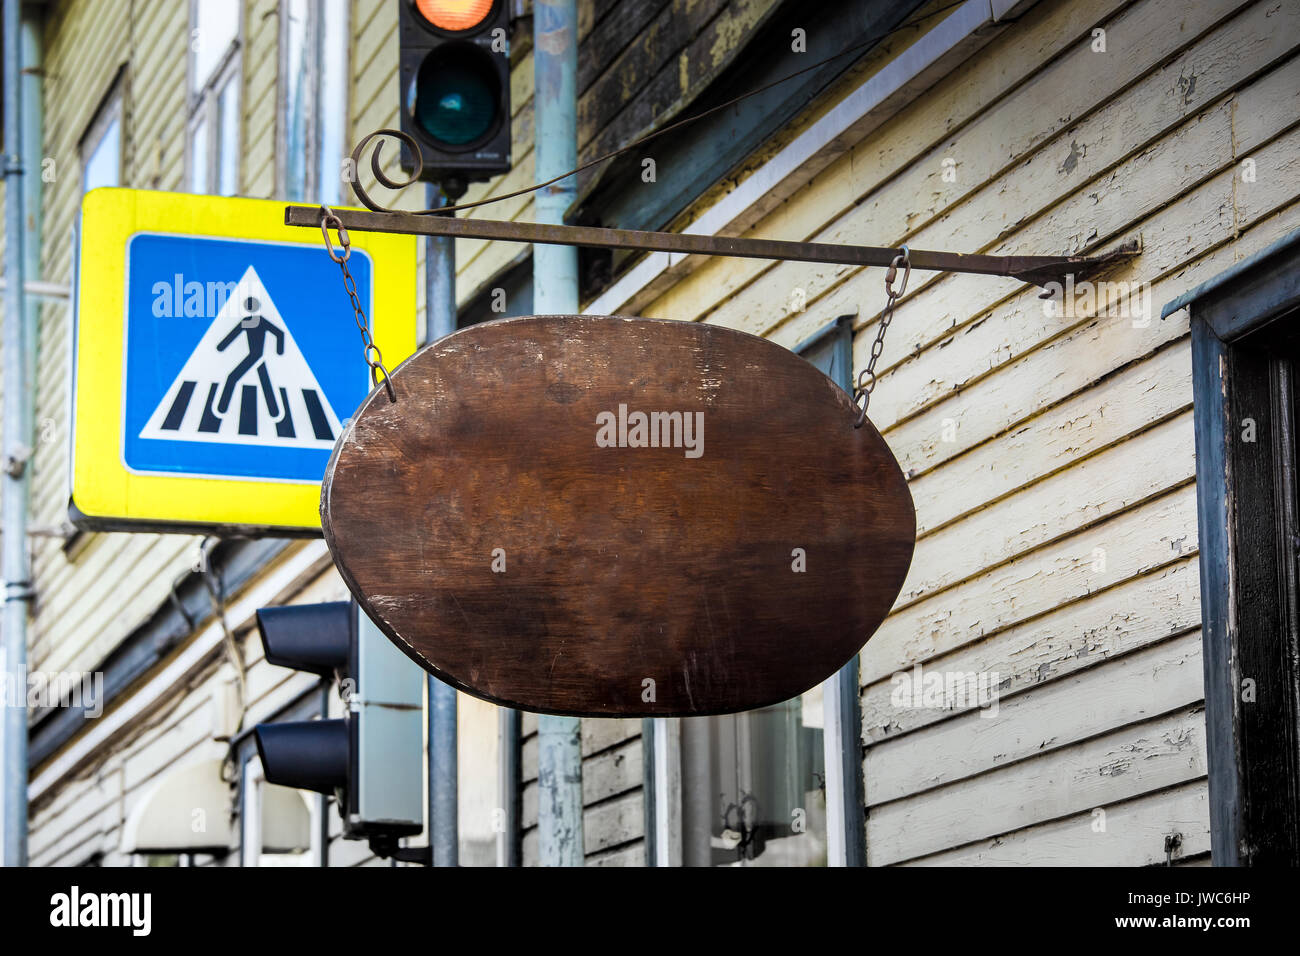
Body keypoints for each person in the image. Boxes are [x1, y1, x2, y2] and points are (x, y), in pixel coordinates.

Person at [215, 296, 286, 418]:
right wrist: (221, 348)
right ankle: (275, 413)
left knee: (232, 378)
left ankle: (221, 409)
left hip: (256, 356)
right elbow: (232, 335)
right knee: (265, 382)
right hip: (255, 356)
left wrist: (279, 352)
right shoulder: (248, 321)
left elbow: (279, 334)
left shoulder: (260, 321)